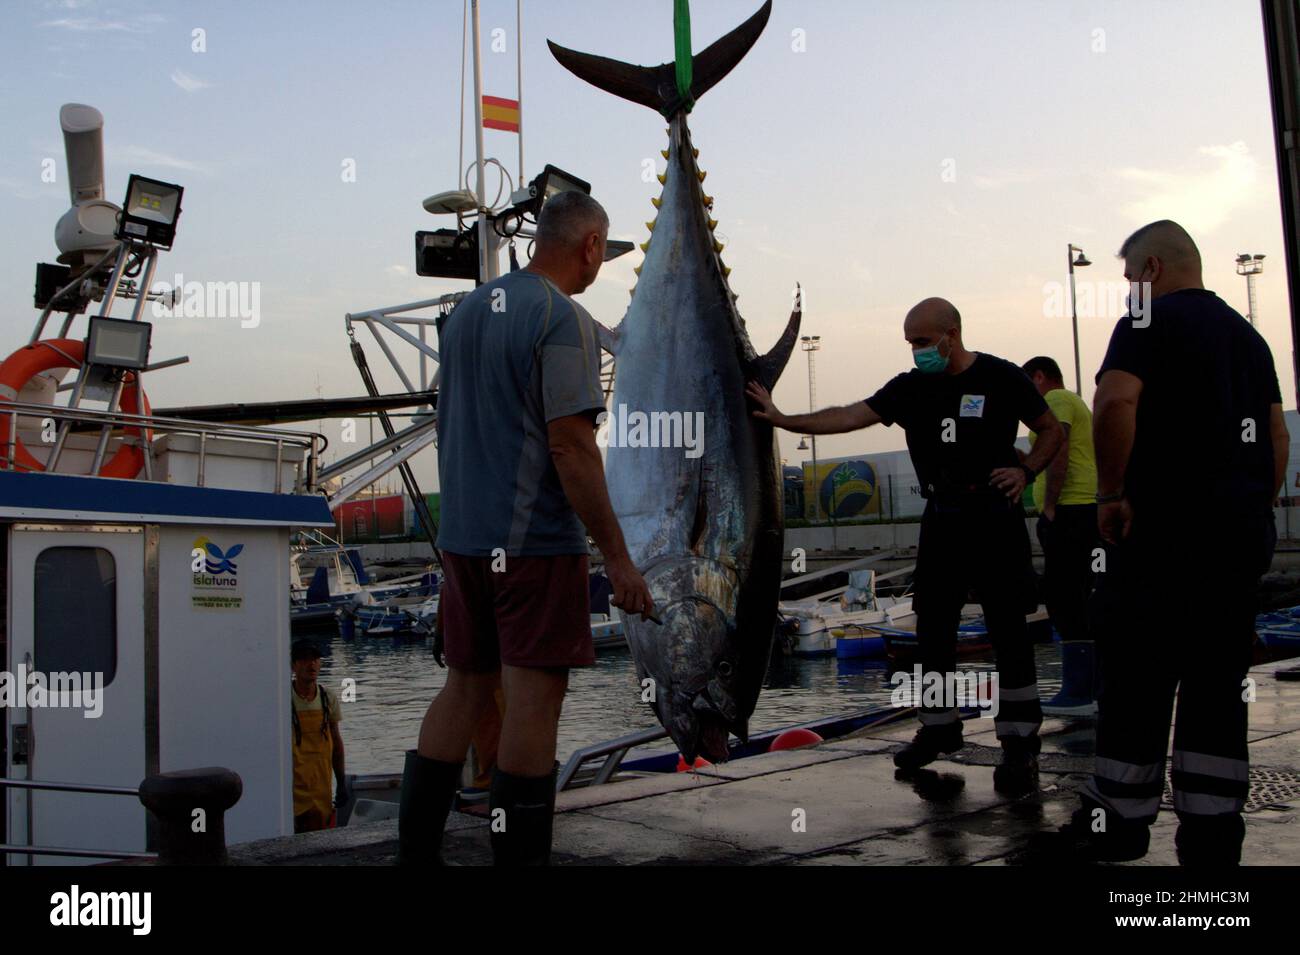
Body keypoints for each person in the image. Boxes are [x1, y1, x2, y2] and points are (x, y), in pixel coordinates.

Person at [398, 191, 654, 866]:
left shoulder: (466, 315)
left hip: (462, 542)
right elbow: (571, 447)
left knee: (465, 684)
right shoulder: (561, 318)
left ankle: (415, 855)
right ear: (591, 246)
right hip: (534, 545)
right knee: (535, 699)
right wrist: (620, 561)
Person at [1035, 220, 1286, 865]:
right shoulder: (1249, 338)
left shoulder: (1147, 323)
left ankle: (1118, 822)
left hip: (1159, 540)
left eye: (1126, 278)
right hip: (1233, 545)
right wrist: (1253, 505)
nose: (1125, 292)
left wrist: (1113, 495)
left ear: (1150, 269)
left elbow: (1116, 402)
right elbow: (1275, 436)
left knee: (1137, 683)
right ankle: (1211, 836)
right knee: (1215, 690)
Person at [748, 297, 1063, 795]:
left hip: (994, 517)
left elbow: (1050, 432)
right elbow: (851, 415)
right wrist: (785, 421)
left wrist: (1027, 470)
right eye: (910, 344)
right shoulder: (911, 388)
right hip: (942, 518)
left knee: (1010, 632)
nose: (916, 351)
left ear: (951, 334)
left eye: (921, 341)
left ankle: (1020, 746)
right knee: (933, 630)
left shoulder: (1002, 378)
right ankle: (939, 729)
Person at [1020, 355, 1100, 714]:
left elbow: (1059, 449)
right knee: (1078, 592)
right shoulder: (1072, 401)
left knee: (1064, 595)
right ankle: (1089, 687)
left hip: (1071, 508)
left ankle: (1080, 691)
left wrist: (1050, 505)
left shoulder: (1055, 401)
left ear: (1038, 377)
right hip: (1080, 508)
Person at [290, 640, 347, 833]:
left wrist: (341, 783)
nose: (311, 664)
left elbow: (337, 743)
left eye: (315, 659)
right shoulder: (283, 698)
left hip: (322, 783)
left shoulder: (327, 697)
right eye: (304, 659)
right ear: (293, 665)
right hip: (293, 785)